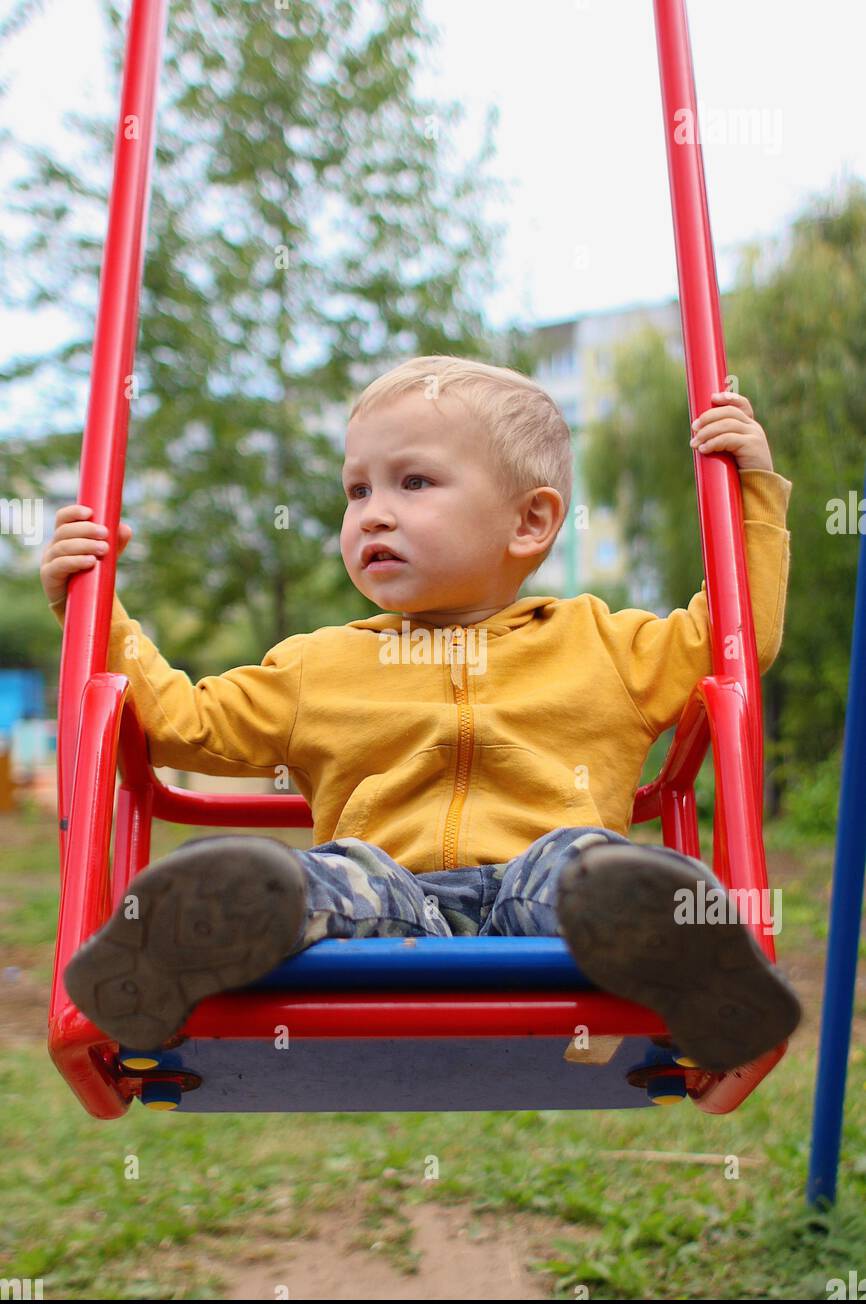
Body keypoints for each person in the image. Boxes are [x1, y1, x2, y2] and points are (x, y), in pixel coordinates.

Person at [42, 355, 801, 1068]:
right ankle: (183, 944)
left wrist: (752, 494)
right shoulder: (318, 668)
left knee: (582, 865)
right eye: (357, 491)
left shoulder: (605, 647)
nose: (373, 514)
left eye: (413, 483)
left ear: (529, 523)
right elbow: (179, 725)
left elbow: (733, 643)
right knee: (319, 877)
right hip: (389, 920)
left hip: (542, 925)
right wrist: (95, 614)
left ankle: (686, 966)